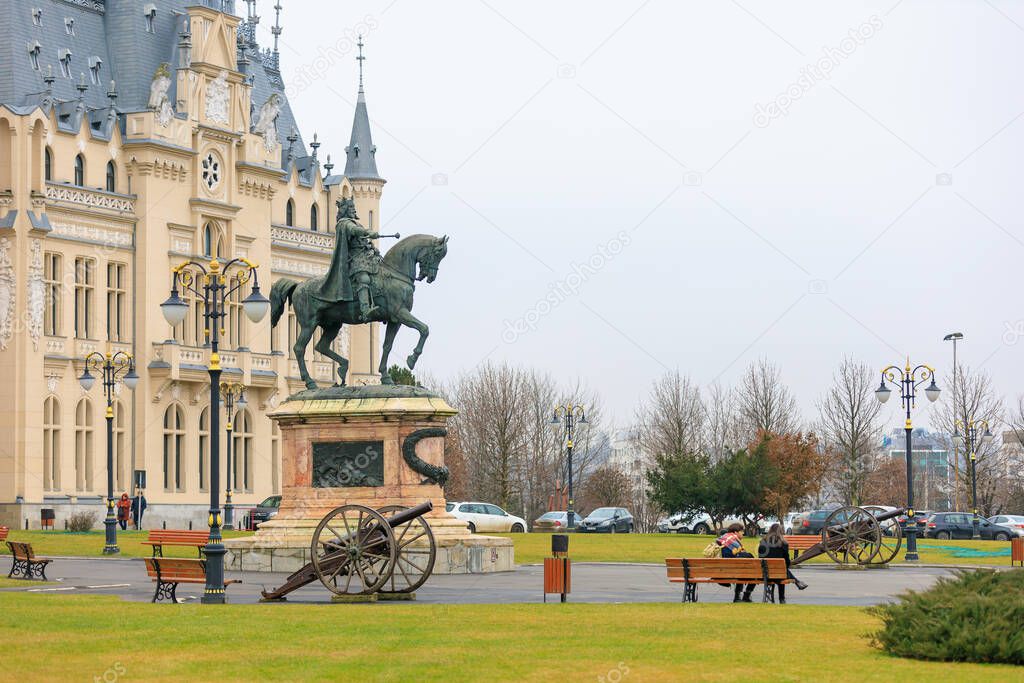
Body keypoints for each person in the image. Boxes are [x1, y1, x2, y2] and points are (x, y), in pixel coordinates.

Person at [757, 523, 808, 604]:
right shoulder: (783, 543)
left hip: (764, 573)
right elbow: (787, 561)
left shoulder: (763, 542)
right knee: (782, 570)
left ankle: (797, 581)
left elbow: (760, 557)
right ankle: (782, 598)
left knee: (780, 570)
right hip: (779, 574)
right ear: (780, 532)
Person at [716, 523, 755, 602]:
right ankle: (746, 595)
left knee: (740, 566)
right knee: (753, 572)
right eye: (741, 531)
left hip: (722, 571)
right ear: (735, 532)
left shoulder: (723, 539)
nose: (743, 533)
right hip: (732, 570)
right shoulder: (734, 541)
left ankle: (738, 597)